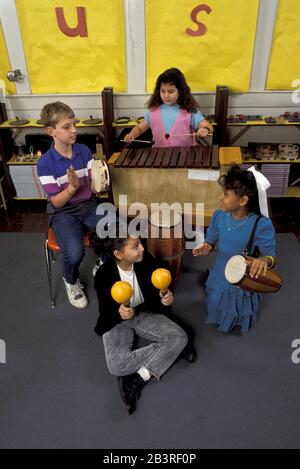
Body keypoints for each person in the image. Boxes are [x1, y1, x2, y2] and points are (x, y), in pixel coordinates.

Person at [92, 223, 196, 415]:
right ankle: (170, 352)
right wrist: (119, 313)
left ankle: (137, 379)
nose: (142, 249)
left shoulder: (145, 260)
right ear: (118, 254)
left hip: (143, 313)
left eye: (140, 244)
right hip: (117, 321)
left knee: (180, 337)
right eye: (135, 247)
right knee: (116, 365)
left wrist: (166, 295)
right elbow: (105, 312)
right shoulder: (103, 275)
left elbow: (161, 277)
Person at [37, 101, 113, 309]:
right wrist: (72, 188)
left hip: (88, 205)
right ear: (51, 131)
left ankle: (102, 262)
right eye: (67, 126)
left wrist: (101, 181)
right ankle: (71, 281)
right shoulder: (44, 163)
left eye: (74, 124)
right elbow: (57, 201)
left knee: (116, 226)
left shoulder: (83, 151)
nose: (74, 130)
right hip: (63, 213)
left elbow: (94, 187)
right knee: (75, 250)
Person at [192, 165, 276, 333]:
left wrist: (262, 260)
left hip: (241, 276)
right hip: (221, 269)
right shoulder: (218, 216)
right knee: (217, 296)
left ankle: (233, 322)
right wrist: (207, 247)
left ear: (243, 201)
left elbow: (271, 257)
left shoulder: (261, 225)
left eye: (226, 194)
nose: (220, 197)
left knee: (235, 304)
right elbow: (212, 239)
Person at [124, 67, 213, 147]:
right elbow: (139, 128)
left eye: (171, 91)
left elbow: (208, 126)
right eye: (162, 91)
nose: (166, 95)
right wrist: (132, 134)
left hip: (185, 158)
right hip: (158, 158)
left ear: (181, 91)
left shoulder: (189, 110)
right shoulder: (153, 111)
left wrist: (205, 129)